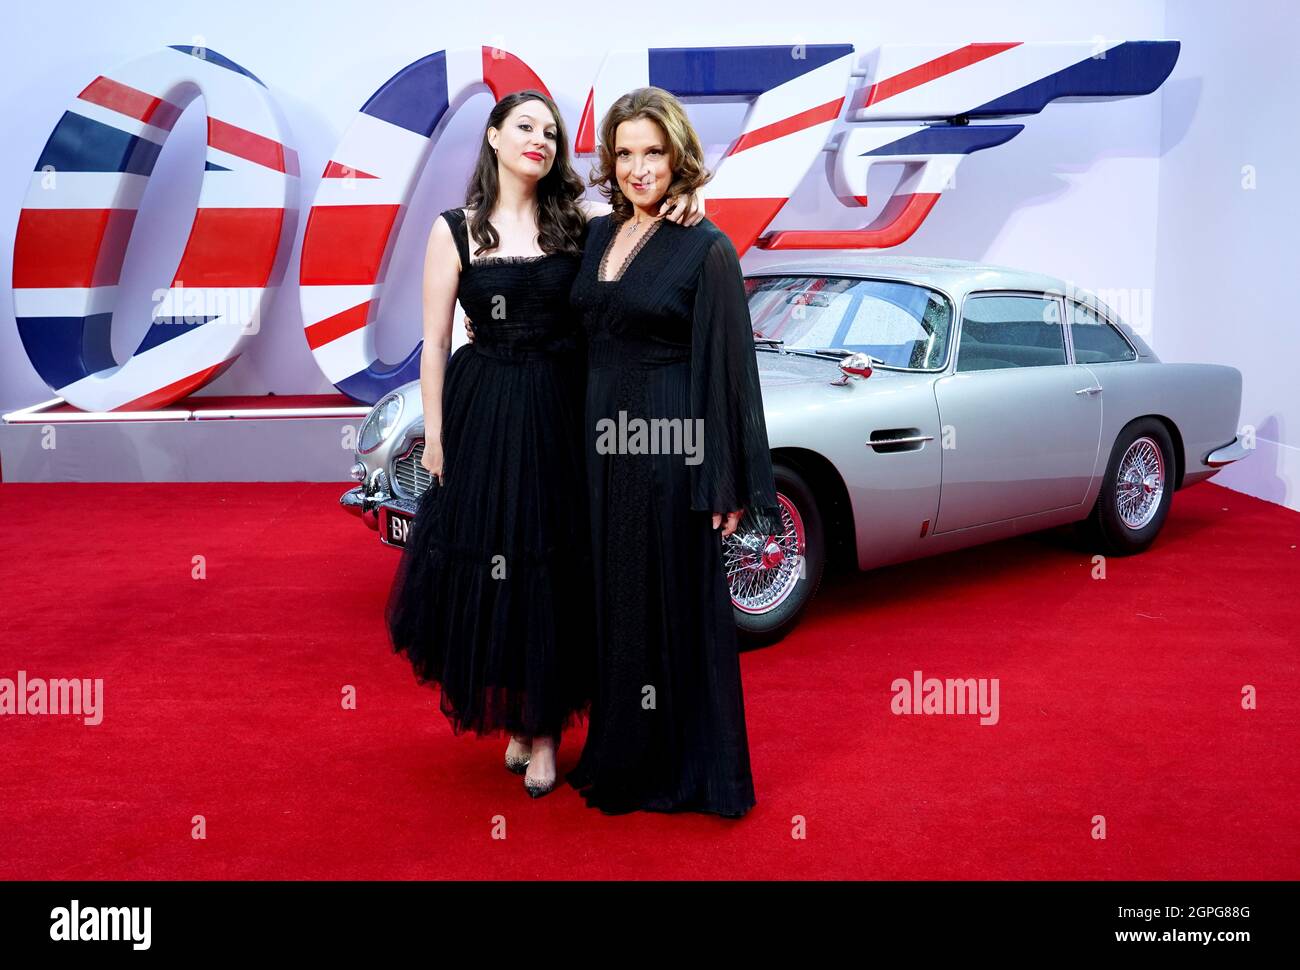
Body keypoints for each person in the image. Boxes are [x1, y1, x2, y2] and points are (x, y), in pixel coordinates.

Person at [386, 89, 701, 798]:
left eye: (552, 133)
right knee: (495, 564)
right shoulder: (455, 230)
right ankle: (520, 724)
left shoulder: (583, 224)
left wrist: (688, 204)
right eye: (525, 126)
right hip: (485, 409)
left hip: (563, 407)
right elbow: (435, 343)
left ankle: (547, 734)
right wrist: (436, 437)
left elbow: (646, 225)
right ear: (495, 137)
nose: (540, 139)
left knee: (554, 565)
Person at [564, 87, 781, 816]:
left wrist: (722, 479)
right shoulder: (598, 236)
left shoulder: (707, 246)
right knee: (614, 600)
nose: (637, 167)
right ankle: (621, 752)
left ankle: (683, 770)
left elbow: (730, 368)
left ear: (678, 155)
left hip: (665, 442)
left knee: (667, 599)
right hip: (598, 443)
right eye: (624, 153)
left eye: (652, 152)